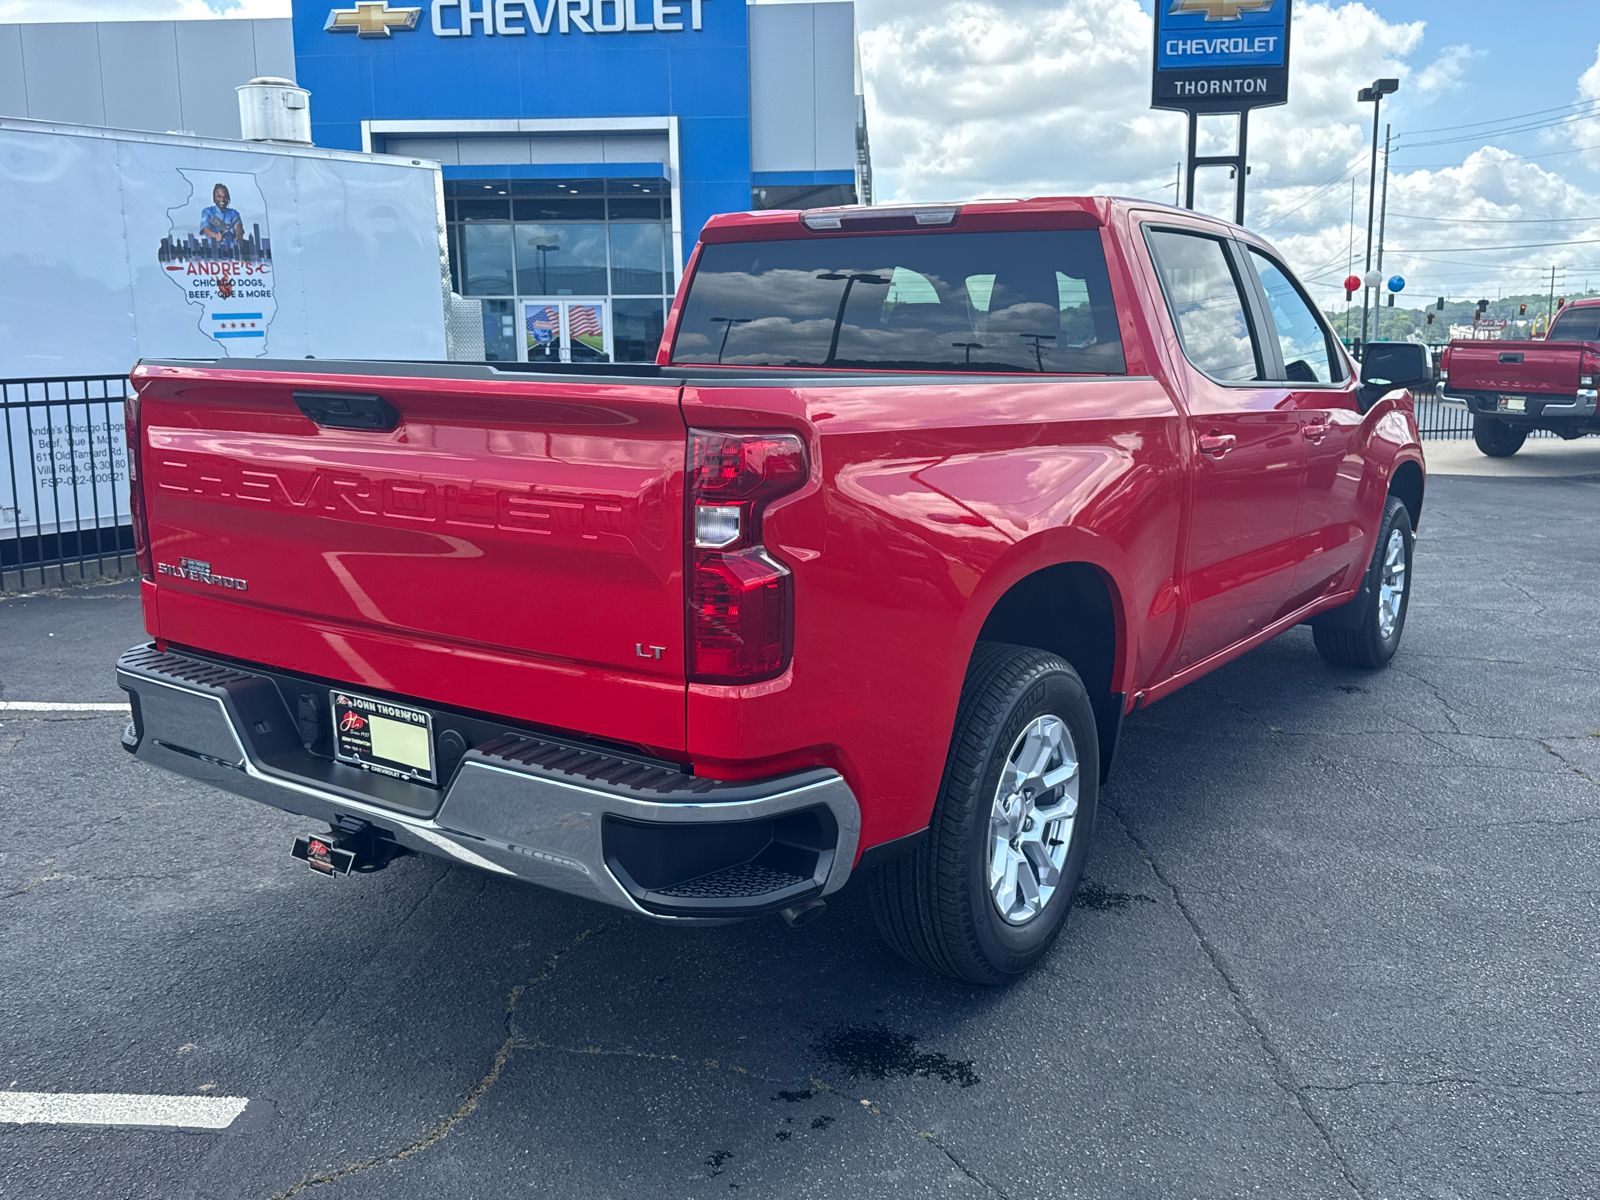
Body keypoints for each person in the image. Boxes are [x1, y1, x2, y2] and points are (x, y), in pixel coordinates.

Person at [200, 184, 244, 251]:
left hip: (232, 250)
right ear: (214, 197)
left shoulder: (233, 213)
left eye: (225, 197)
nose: (222, 199)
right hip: (212, 250)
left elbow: (238, 227)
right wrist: (215, 236)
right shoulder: (207, 211)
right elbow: (206, 229)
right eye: (219, 197)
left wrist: (238, 235)